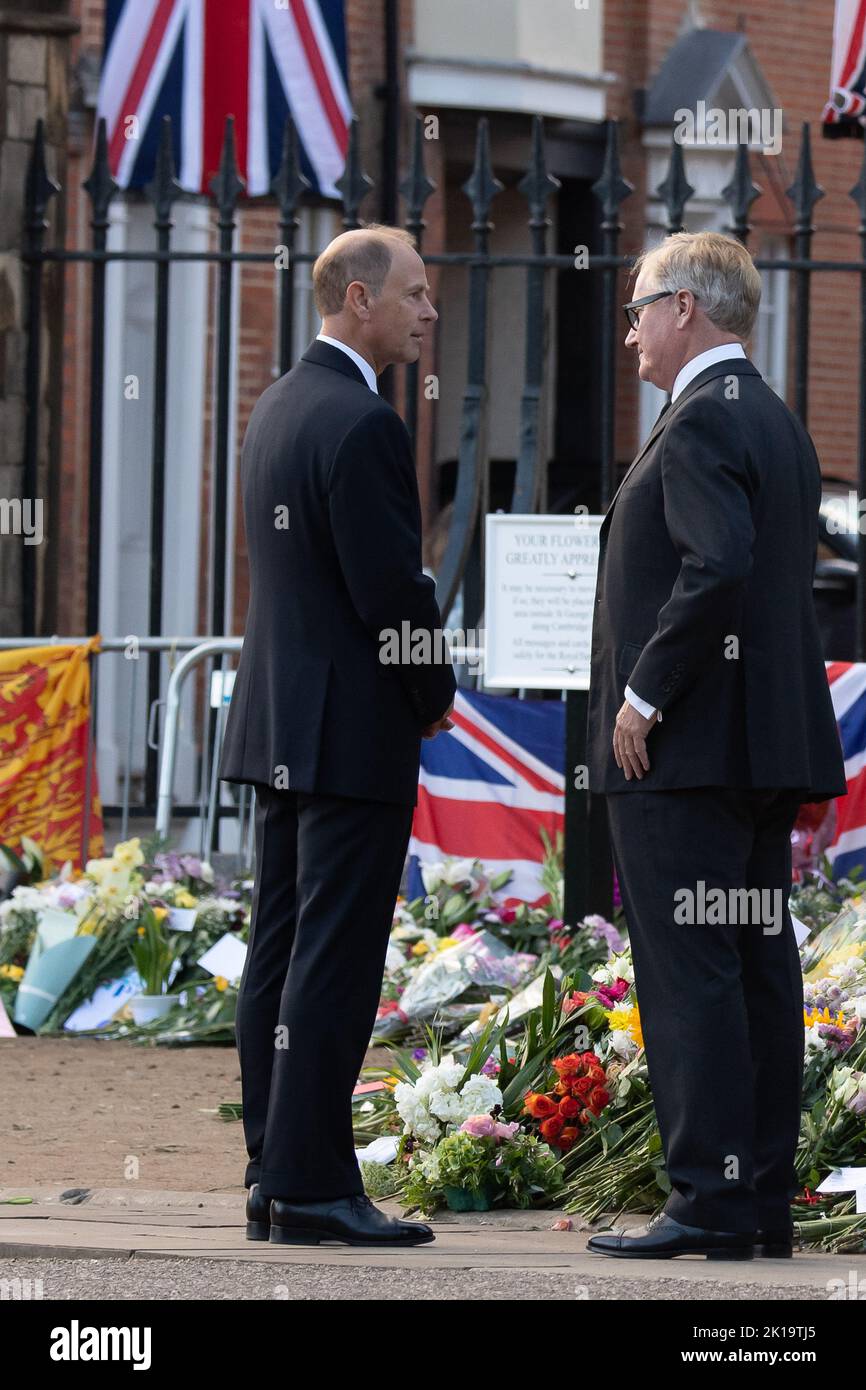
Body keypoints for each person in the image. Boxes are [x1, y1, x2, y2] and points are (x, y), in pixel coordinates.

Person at [585, 230, 847, 1260]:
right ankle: (755, 1197)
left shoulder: (696, 420)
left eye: (637, 308)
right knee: (752, 962)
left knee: (688, 966)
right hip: (759, 750)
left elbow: (717, 563)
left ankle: (704, 1197)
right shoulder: (774, 421)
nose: (629, 333)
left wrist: (642, 695)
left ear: (684, 308)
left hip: (684, 753)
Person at [218, 224, 456, 1247]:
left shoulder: (275, 404)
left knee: (278, 945)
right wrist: (435, 689)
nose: (427, 310)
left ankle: (274, 1166)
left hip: (278, 717)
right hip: (349, 730)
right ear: (358, 300)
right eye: (412, 293)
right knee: (332, 955)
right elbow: (387, 592)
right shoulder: (360, 421)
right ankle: (312, 1181)